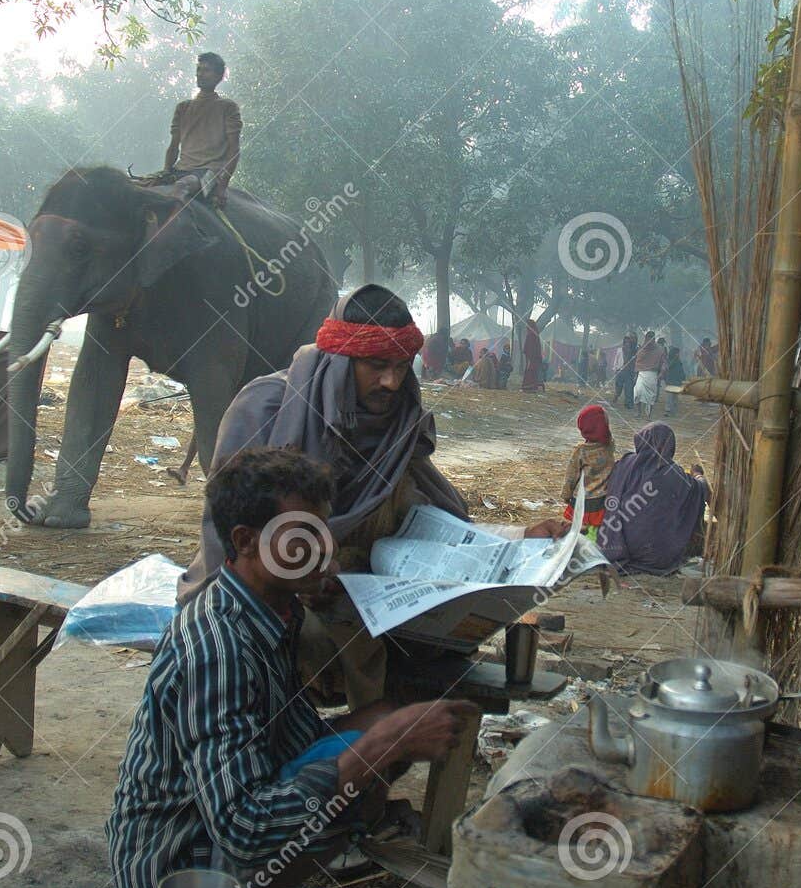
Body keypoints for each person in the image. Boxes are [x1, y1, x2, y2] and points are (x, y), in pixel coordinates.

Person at [109, 446, 478, 888]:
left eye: (325, 530)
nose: (326, 550)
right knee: (377, 739)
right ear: (245, 541)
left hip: (222, 833)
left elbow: (290, 737)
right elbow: (245, 827)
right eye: (302, 535)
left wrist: (386, 728)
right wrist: (383, 746)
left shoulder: (273, 609)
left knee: (382, 718)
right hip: (184, 869)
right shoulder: (217, 648)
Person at [184, 285, 564, 708]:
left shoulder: (399, 419)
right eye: (377, 365)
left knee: (443, 641)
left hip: (361, 587)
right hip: (273, 586)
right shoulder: (264, 407)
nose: (391, 381)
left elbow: (422, 518)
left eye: (402, 367)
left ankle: (374, 740)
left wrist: (517, 536)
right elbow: (227, 531)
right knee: (308, 642)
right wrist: (299, 576)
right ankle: (358, 746)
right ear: (340, 359)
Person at [598, 423, 709, 574]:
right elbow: (700, 489)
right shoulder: (673, 474)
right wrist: (698, 474)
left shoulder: (624, 463)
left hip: (614, 544)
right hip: (654, 555)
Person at [163, 51, 241, 209]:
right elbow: (173, 146)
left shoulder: (228, 107)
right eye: (199, 69)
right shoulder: (183, 107)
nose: (201, 74)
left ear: (219, 76)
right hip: (180, 169)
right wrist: (165, 172)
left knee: (181, 187)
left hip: (208, 172)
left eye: (206, 70)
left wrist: (222, 186)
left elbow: (234, 150)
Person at [562, 405, 615, 539]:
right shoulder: (609, 446)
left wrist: (566, 495)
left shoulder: (581, 451)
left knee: (579, 534)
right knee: (595, 534)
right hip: (602, 500)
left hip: (582, 500)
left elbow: (571, 476)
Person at [633, 330, 666, 418]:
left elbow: (663, 363)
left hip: (652, 374)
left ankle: (649, 414)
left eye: (651, 338)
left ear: (654, 339)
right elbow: (637, 362)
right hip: (641, 374)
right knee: (637, 393)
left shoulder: (660, 349)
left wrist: (661, 373)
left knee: (651, 396)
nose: (649, 341)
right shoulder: (641, 348)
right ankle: (638, 412)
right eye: (648, 338)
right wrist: (636, 375)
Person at [613, 332, 638, 408]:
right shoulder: (620, 350)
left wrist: (636, 373)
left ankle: (628, 403)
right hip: (620, 371)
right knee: (618, 387)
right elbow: (616, 360)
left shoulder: (636, 350)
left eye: (630, 340)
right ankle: (616, 397)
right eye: (626, 341)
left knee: (629, 388)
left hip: (630, 372)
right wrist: (615, 369)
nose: (628, 342)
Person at [521, 320, 544, 392]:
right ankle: (531, 387)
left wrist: (529, 357)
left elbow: (531, 348)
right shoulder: (535, 335)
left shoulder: (531, 335)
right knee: (532, 372)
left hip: (532, 358)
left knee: (530, 372)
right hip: (534, 358)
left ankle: (529, 387)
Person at [663, 345, 687, 417]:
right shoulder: (671, 360)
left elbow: (681, 371)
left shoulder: (677, 361)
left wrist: (683, 378)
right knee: (671, 397)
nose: (679, 354)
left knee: (673, 397)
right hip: (672, 380)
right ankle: (669, 411)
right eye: (678, 353)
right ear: (675, 353)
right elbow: (669, 368)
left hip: (675, 381)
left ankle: (672, 411)